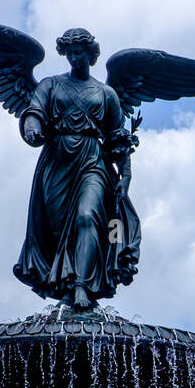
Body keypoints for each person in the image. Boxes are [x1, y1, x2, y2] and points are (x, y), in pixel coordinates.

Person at [13, 27, 140, 309]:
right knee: (58, 231)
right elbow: (34, 111)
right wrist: (32, 128)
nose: (73, 57)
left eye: (79, 52)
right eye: (69, 53)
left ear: (90, 54)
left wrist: (126, 175)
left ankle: (82, 285)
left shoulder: (106, 93)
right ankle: (65, 286)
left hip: (93, 160)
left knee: (86, 218)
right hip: (56, 161)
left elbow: (118, 138)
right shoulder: (50, 85)